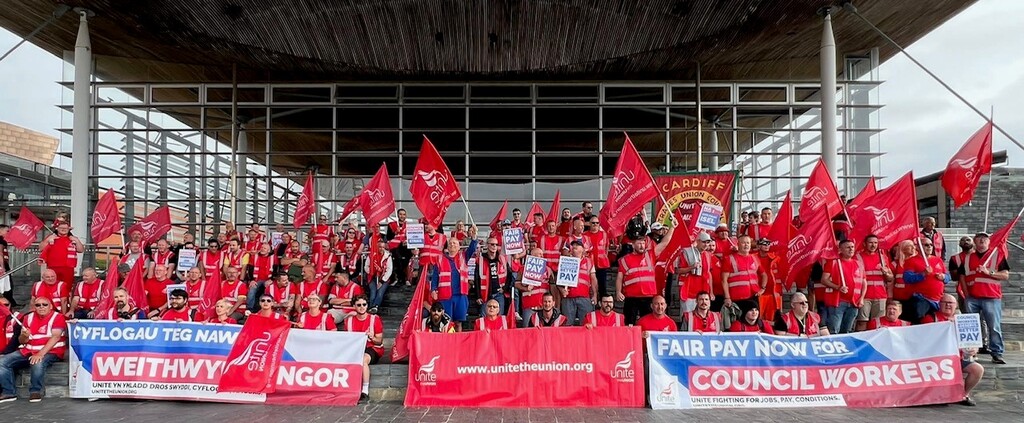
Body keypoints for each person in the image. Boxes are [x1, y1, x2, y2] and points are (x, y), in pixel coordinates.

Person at [0, 296, 65, 403]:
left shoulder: (58, 317)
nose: (41, 307)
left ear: (50, 306)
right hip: (28, 350)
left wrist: (40, 354)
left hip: (51, 351)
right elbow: (22, 341)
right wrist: (24, 336)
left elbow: (56, 337)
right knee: (2, 362)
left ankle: (36, 391)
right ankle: (8, 392)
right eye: (38, 305)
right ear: (34, 307)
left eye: (44, 304)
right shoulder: (28, 317)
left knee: (37, 362)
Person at [959, 232, 1010, 364]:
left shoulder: (997, 255)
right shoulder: (968, 257)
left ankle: (997, 353)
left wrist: (989, 272)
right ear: (974, 242)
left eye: (985, 239)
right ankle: (971, 352)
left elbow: (1005, 275)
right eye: (979, 239)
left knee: (994, 327)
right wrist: (966, 294)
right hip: (972, 297)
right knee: (970, 327)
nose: (982, 241)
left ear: (989, 241)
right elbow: (962, 276)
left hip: (991, 297)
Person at [616, 225, 675, 325]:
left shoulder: (650, 255)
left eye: (643, 243)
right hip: (631, 296)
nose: (642, 246)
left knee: (648, 323)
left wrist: (672, 227)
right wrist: (618, 291)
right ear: (633, 245)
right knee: (629, 323)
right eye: (639, 243)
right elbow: (619, 277)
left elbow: (664, 243)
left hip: (648, 295)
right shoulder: (625, 259)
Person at [431, 235, 479, 331]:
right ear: (447, 247)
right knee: (446, 322)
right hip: (445, 296)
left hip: (460, 295)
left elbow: (472, 249)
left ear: (459, 246)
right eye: (450, 243)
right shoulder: (440, 259)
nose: (452, 244)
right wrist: (433, 289)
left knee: (458, 322)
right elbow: (435, 276)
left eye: (455, 243)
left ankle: (459, 340)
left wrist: (474, 238)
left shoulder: (464, 256)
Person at [820, 240, 866, 334]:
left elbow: (864, 282)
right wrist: (838, 287)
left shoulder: (859, 264)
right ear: (840, 250)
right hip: (838, 302)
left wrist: (862, 298)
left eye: (852, 247)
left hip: (854, 302)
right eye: (848, 247)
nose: (851, 249)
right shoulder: (833, 262)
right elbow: (824, 280)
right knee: (834, 329)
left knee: (847, 330)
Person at [343, 296, 383, 401]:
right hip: (356, 348)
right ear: (354, 306)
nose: (362, 307)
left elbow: (379, 341)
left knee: (363, 360)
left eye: (364, 304)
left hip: (372, 348)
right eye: (359, 305)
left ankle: (365, 391)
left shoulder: (375, 319)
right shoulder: (348, 321)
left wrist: (372, 337)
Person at [721, 235, 766, 328]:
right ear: (738, 244)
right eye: (743, 243)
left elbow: (764, 275)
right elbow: (724, 280)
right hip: (737, 298)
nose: (746, 245)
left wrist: (762, 288)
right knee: (737, 323)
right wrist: (727, 297)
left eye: (748, 243)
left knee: (754, 322)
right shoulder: (729, 259)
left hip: (753, 296)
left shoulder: (755, 258)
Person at [855, 234, 894, 331]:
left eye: (875, 243)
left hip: (880, 295)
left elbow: (890, 278)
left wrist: (886, 273)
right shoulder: (858, 257)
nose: (873, 245)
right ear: (865, 244)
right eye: (871, 243)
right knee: (861, 321)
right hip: (864, 295)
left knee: (877, 323)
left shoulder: (883, 258)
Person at [559, 240, 597, 326]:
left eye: (578, 245)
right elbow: (558, 281)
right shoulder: (565, 261)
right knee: (567, 324)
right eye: (573, 245)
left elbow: (593, 279)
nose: (574, 246)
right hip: (568, 297)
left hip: (584, 297)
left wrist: (595, 295)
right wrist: (561, 290)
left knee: (586, 324)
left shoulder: (589, 261)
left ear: (583, 249)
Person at [37, 221, 84, 287]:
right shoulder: (51, 238)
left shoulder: (73, 239)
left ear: (69, 229)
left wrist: (77, 240)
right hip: (53, 267)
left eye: (66, 228)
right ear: (57, 228)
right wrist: (48, 240)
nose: (63, 229)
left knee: (67, 286)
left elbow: (81, 250)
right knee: (52, 286)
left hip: (68, 267)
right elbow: (41, 248)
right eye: (61, 228)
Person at [515, 247, 553, 327]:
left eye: (542, 254)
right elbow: (516, 284)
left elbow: (552, 287)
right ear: (533, 256)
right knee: (527, 330)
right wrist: (525, 288)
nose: (542, 256)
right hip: (529, 306)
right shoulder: (523, 269)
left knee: (543, 331)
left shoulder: (548, 270)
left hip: (543, 307)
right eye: (540, 254)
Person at [679, 233, 715, 316]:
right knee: (688, 317)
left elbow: (708, 273)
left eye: (708, 242)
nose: (706, 245)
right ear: (698, 241)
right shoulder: (687, 252)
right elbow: (678, 270)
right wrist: (691, 267)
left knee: (703, 316)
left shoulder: (707, 255)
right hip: (689, 292)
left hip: (703, 292)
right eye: (704, 242)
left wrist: (711, 292)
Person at [477, 236, 513, 315]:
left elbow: (509, 275)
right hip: (485, 294)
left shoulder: (502, 259)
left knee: (499, 318)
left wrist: (504, 288)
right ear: (487, 245)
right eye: (492, 244)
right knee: (484, 319)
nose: (494, 246)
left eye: (496, 244)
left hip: (499, 293)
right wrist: (478, 296)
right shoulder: (481, 259)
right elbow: (477, 278)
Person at [755, 238, 782, 322]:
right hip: (759, 293)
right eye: (764, 243)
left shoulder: (775, 258)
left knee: (772, 319)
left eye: (768, 243)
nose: (767, 245)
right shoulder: (753, 258)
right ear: (758, 246)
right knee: (758, 318)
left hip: (773, 293)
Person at [582, 216, 611, 297]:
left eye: (597, 223)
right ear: (589, 224)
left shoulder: (604, 234)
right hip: (589, 265)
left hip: (602, 264)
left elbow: (606, 248)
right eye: (593, 223)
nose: (595, 224)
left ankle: (602, 302)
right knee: (590, 287)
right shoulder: (584, 235)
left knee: (602, 287)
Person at [365, 240, 393, 314]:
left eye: (383, 247)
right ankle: (371, 308)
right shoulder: (371, 255)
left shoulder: (388, 256)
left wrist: (382, 281)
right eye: (380, 247)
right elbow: (366, 266)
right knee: (373, 292)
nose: (381, 249)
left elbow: (389, 270)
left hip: (383, 278)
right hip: (372, 277)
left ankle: (374, 307)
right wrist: (371, 272)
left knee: (380, 292)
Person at [386, 208, 412, 286]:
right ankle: (402, 278)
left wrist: (406, 241)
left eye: (404, 214)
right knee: (398, 258)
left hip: (405, 247)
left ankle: (402, 278)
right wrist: (395, 232)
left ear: (406, 216)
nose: (402, 216)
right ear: (397, 215)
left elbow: (412, 238)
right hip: (394, 247)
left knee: (408, 257)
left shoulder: (409, 226)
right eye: (400, 214)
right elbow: (388, 238)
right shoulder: (391, 225)